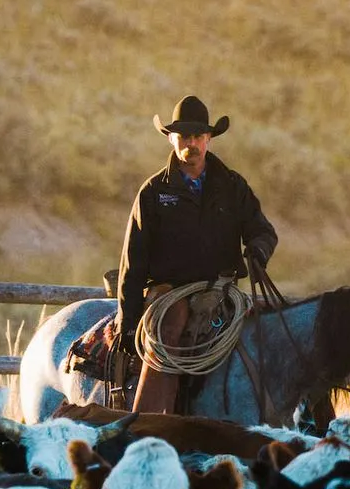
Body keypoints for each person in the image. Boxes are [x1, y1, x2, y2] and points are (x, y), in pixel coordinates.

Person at [116, 94, 278, 413]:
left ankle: (295, 423)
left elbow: (262, 230)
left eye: (197, 136)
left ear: (208, 140)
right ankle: (146, 422)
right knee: (172, 327)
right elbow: (132, 262)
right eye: (184, 136)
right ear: (172, 140)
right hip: (169, 291)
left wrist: (257, 250)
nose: (191, 143)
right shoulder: (154, 192)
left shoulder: (232, 186)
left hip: (221, 289)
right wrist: (128, 319)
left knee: (271, 326)